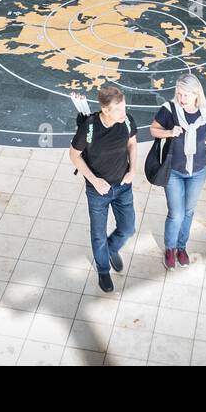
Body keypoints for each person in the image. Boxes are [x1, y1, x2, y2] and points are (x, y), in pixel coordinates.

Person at [69, 84, 138, 293]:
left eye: (124, 107)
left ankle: (111, 249)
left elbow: (132, 143)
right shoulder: (89, 127)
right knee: (98, 234)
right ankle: (103, 271)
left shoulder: (126, 121)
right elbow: (74, 155)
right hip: (97, 191)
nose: (123, 112)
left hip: (123, 186)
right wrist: (94, 180)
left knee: (128, 228)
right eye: (118, 109)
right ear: (105, 110)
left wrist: (133, 170)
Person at [149, 74, 206, 269]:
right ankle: (170, 249)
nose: (181, 99)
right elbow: (153, 129)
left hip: (197, 172)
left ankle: (182, 247)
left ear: (196, 93)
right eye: (179, 94)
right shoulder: (170, 110)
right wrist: (169, 132)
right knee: (176, 213)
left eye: (185, 95)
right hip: (173, 171)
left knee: (189, 211)